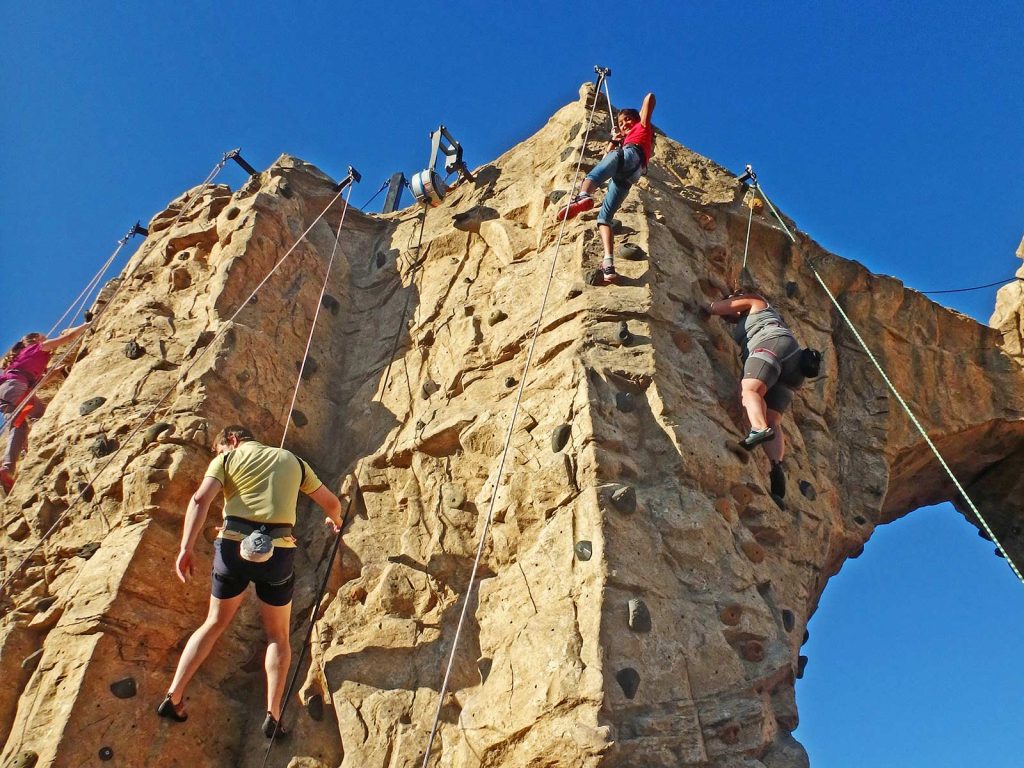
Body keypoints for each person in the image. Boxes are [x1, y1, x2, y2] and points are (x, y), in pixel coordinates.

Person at [158, 425, 343, 739]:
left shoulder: (227, 460)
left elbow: (200, 500)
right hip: (277, 553)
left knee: (214, 623)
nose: (220, 454)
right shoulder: (294, 461)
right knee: (278, 636)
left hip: (232, 549)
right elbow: (331, 503)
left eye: (221, 449)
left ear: (232, 440)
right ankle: (273, 714)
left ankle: (173, 695)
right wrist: (335, 521)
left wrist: (186, 548)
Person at [706, 293, 808, 499]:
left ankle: (759, 430)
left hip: (771, 346)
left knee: (750, 391)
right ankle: (776, 466)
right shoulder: (765, 317)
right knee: (773, 419)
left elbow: (714, 308)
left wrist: (707, 305)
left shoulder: (755, 301)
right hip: (794, 365)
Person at [557, 92, 656, 283]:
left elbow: (650, 98)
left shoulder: (642, 127)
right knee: (604, 219)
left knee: (592, 176)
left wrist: (643, 113)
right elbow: (605, 161)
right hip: (629, 176)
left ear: (636, 119)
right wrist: (613, 141)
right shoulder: (624, 139)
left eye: (627, 120)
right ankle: (608, 264)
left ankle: (583, 195)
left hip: (630, 156)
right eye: (621, 122)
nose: (624, 124)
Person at [0, 323, 91, 493]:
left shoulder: (20, 358)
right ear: (35, 339)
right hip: (17, 387)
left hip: (6, 391)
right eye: (44, 337)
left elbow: (41, 381)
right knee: (40, 414)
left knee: (18, 427)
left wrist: (60, 370)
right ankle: (36, 441)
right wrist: (87, 324)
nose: (47, 339)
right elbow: (69, 337)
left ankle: (7, 469)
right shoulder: (38, 347)